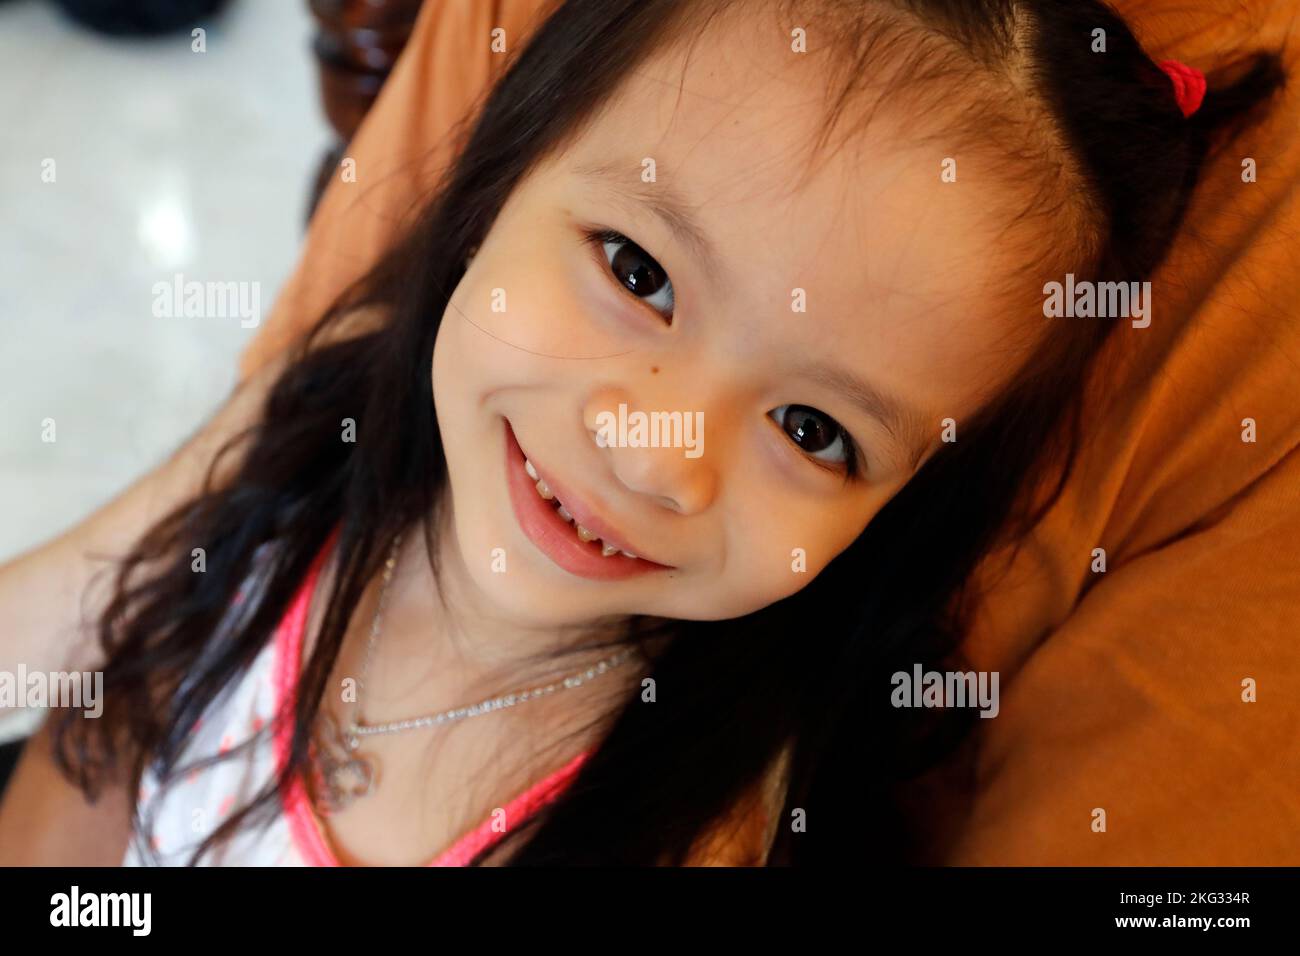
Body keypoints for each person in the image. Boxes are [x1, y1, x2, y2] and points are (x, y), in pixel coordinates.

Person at [0, 0, 1285, 865]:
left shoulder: (691, 823)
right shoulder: (302, 472)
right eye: (637, 270)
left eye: (812, 428)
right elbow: (90, 762)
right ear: (497, 183)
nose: (661, 453)